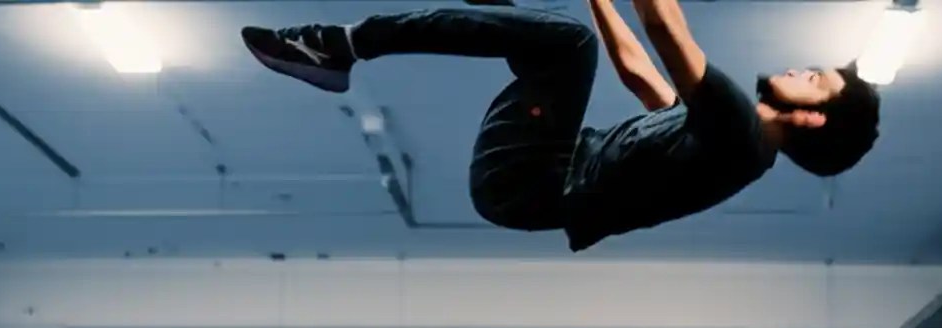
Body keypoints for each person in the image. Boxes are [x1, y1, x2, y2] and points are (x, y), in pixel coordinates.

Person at [242, 0, 880, 252]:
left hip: (529, 181)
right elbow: (637, 70)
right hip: (527, 177)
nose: (801, 67)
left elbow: (664, 28)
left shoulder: (740, 132)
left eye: (815, 77)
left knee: (567, 46)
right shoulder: (724, 144)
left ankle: (338, 47)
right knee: (558, 39)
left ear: (812, 116)